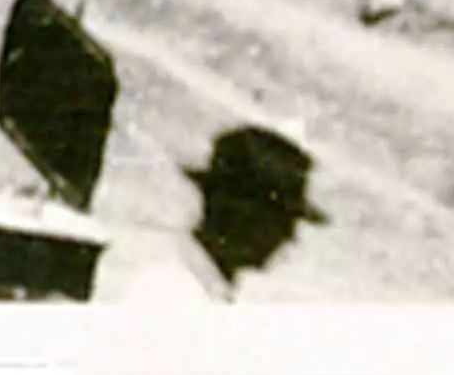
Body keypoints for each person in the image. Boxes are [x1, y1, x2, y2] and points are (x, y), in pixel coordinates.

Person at [94, 125, 322, 304]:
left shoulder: (198, 285)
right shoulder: (171, 289)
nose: (290, 237)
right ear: (243, 214)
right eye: (282, 221)